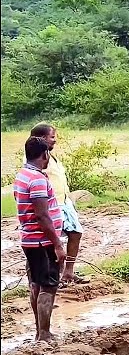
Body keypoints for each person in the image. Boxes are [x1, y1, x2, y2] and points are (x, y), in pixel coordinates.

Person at [14, 137, 65, 342]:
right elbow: (43, 216)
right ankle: (44, 333)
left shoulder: (22, 175)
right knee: (48, 286)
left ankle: (39, 331)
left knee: (36, 284)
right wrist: (58, 243)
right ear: (45, 155)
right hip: (42, 241)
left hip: (30, 240)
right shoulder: (36, 179)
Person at [30, 124, 85, 284]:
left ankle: (68, 272)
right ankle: (55, 275)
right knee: (53, 240)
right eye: (52, 137)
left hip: (64, 202)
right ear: (41, 139)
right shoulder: (35, 159)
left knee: (75, 232)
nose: (55, 140)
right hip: (52, 204)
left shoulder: (50, 156)